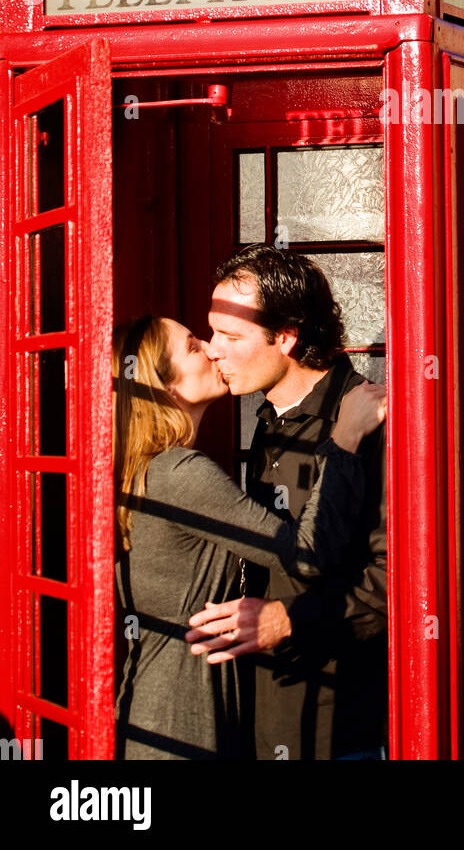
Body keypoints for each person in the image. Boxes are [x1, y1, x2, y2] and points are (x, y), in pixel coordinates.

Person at [112, 313, 384, 760]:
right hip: (181, 722)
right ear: (166, 387)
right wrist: (345, 437)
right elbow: (306, 554)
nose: (212, 348)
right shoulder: (180, 473)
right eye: (194, 346)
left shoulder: (149, 469)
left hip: (162, 709)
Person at [185, 247, 387, 760]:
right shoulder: (269, 419)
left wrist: (289, 619)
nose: (213, 350)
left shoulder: (369, 423)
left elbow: (400, 583)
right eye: (212, 333)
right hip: (263, 712)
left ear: (287, 338)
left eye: (230, 337)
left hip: (342, 724)